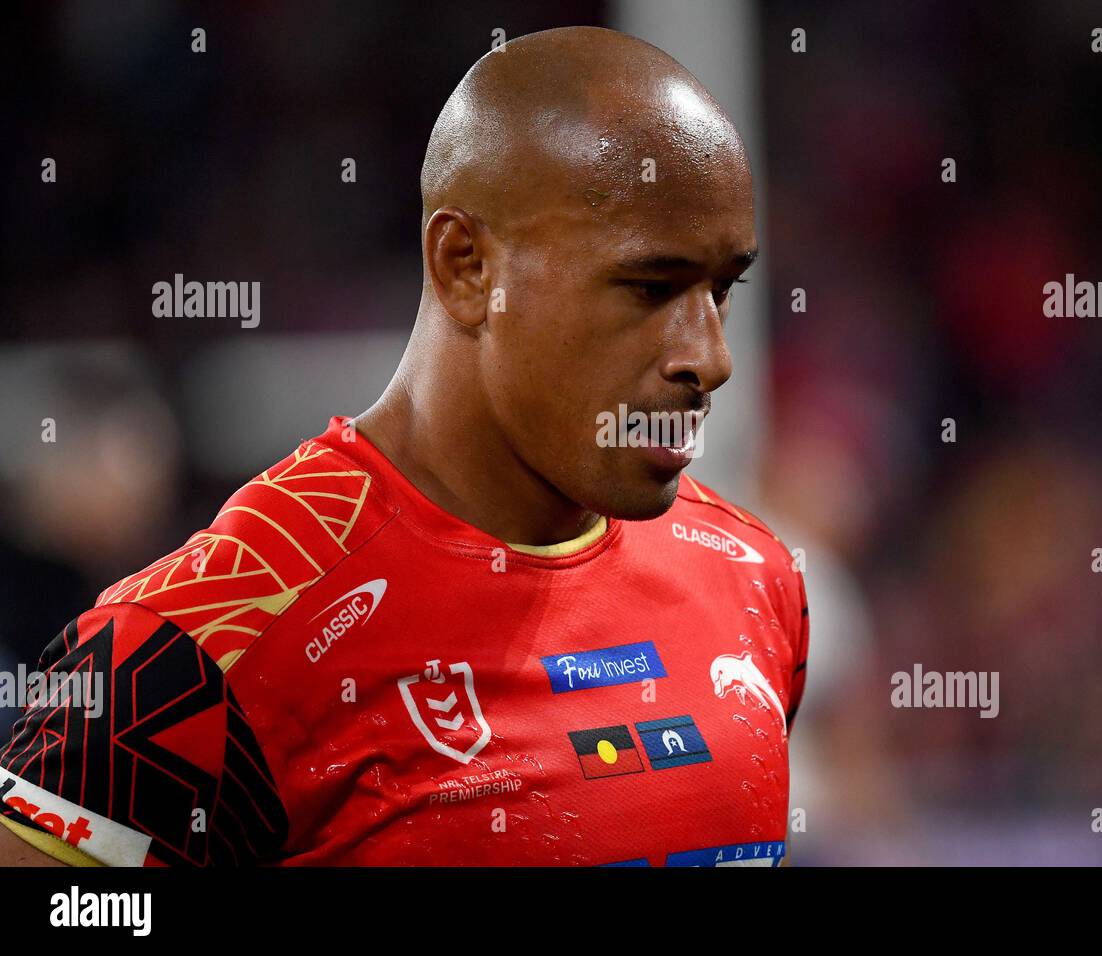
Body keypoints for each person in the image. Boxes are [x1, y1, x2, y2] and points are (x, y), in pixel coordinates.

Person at [0, 25, 808, 867]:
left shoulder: (755, 581)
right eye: (651, 287)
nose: (710, 357)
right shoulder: (195, 651)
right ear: (465, 266)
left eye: (721, 290)